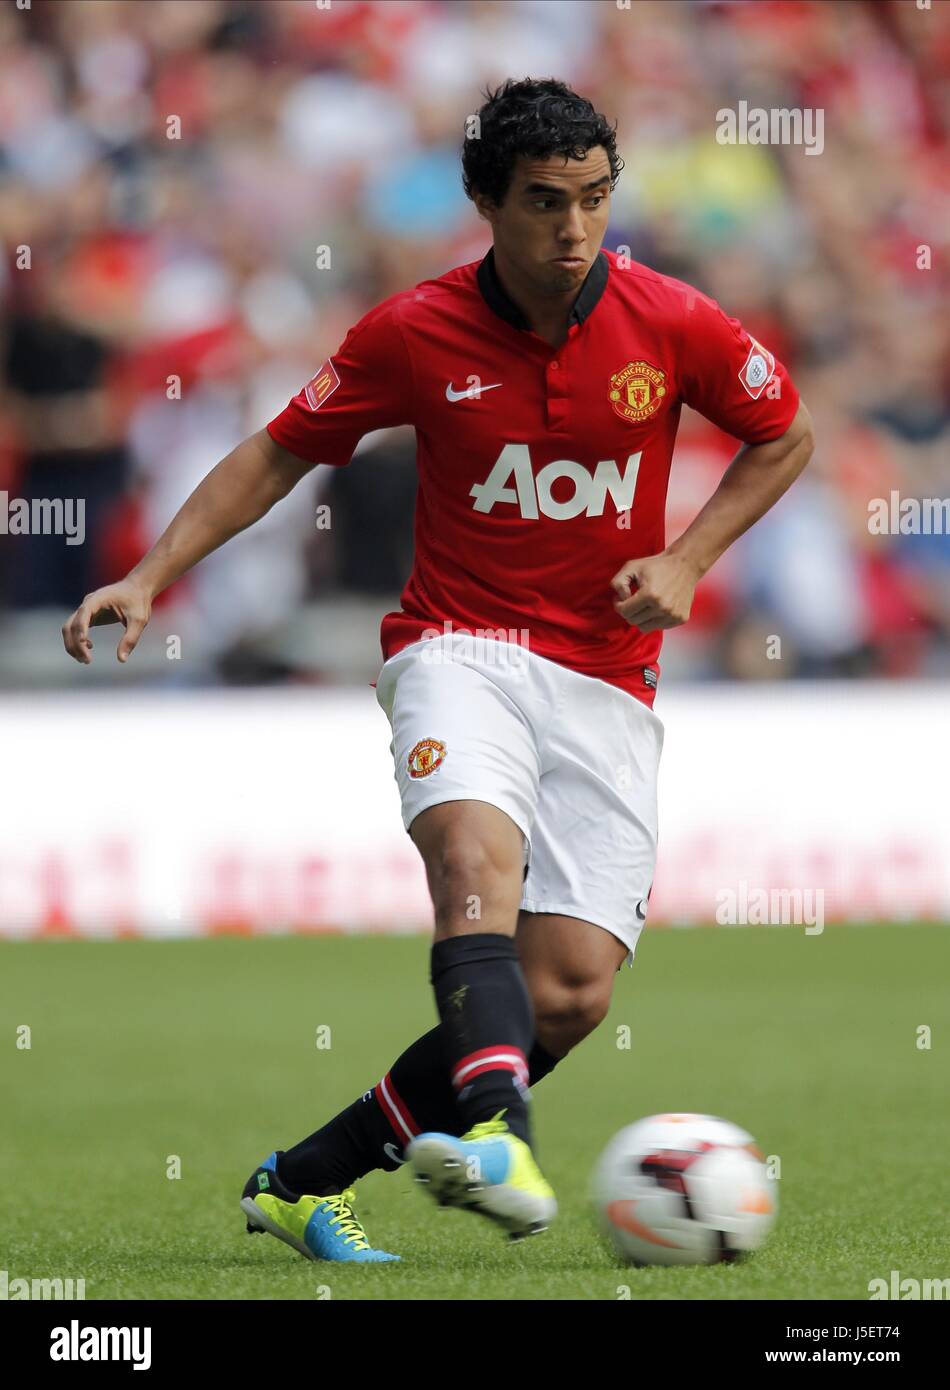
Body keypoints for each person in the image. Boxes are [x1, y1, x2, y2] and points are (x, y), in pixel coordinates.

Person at [62, 78, 814, 1263]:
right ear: (484, 203)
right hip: (456, 650)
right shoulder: (412, 331)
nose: (574, 228)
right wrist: (154, 573)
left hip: (608, 680)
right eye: (544, 202)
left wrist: (687, 553)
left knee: (564, 991)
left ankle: (301, 1182)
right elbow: (276, 454)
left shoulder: (671, 320)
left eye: (595, 199)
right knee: (473, 864)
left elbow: (785, 432)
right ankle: (498, 1137)